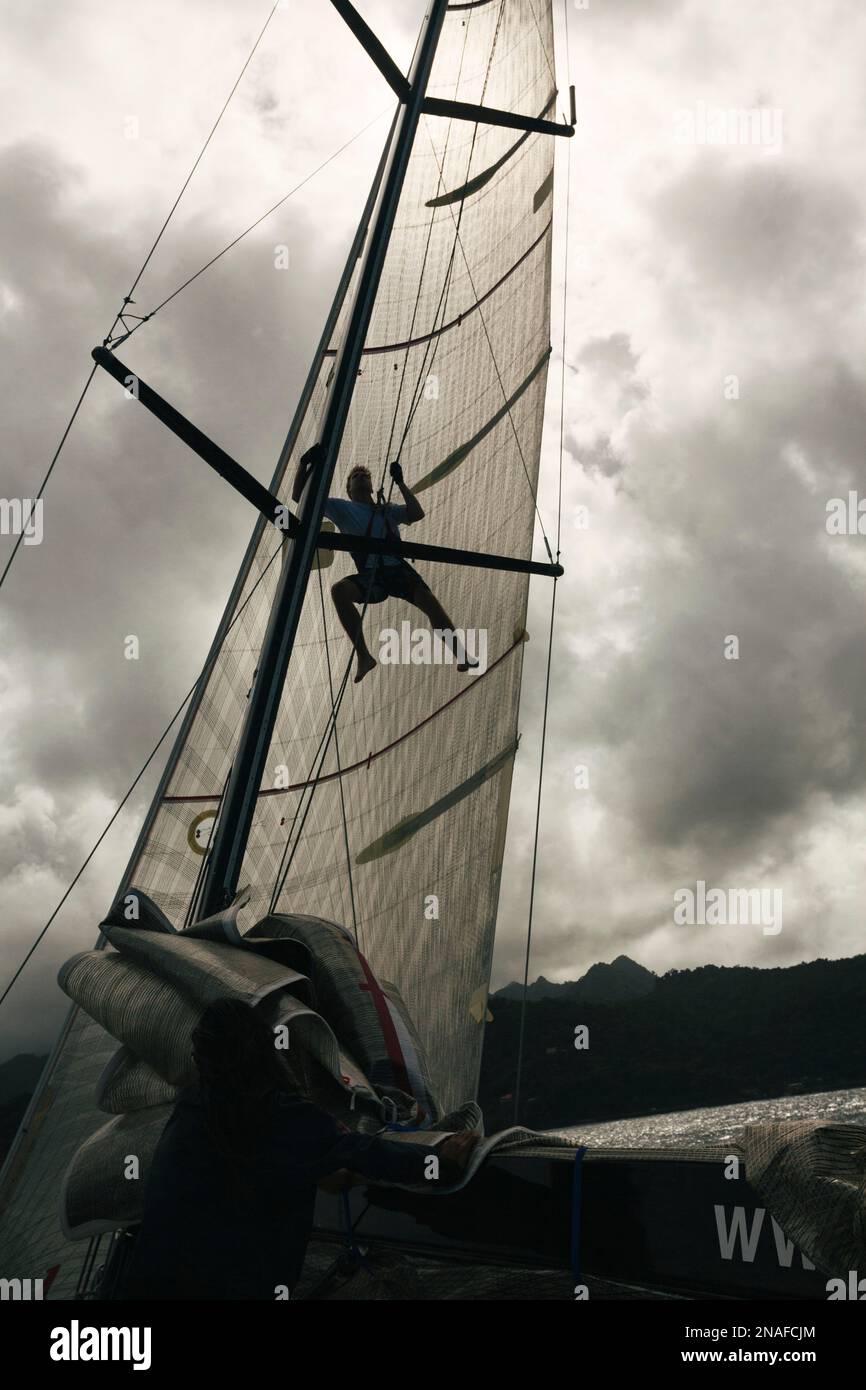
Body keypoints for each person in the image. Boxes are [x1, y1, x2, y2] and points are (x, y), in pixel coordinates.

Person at [118, 997, 478, 1300]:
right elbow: (360, 1150)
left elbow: (248, 1169)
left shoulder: (192, 1111)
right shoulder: (276, 1115)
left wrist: (313, 1166)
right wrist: (436, 1163)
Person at [293, 450, 478, 684]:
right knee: (339, 591)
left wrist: (400, 482)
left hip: (399, 571)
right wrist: (303, 465)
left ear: (371, 486)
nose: (360, 476)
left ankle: (461, 654)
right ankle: (364, 656)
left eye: (364, 475)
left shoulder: (387, 509)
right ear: (349, 490)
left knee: (432, 605)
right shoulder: (341, 508)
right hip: (372, 577)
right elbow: (300, 497)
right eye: (355, 476)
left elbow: (416, 513)